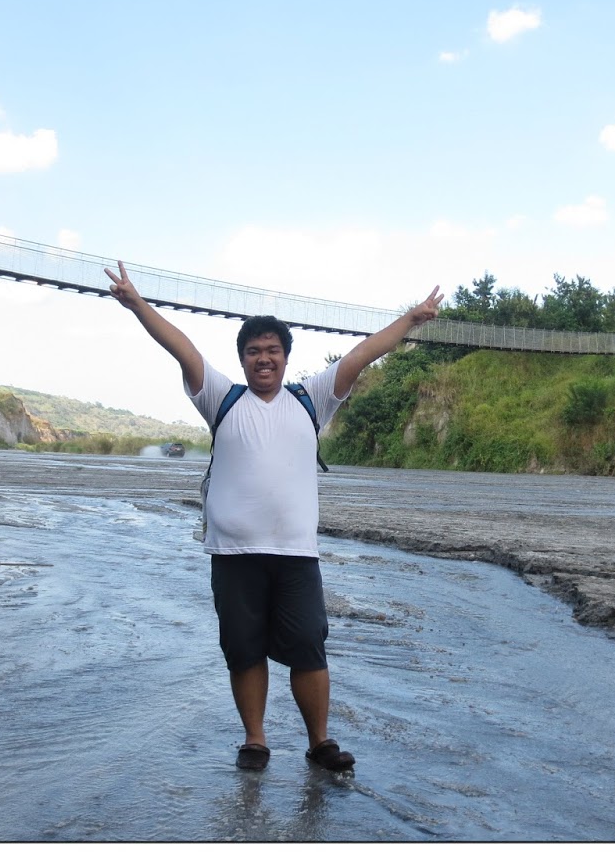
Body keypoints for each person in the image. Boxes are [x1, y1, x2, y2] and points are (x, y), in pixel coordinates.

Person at [106, 262, 442, 772]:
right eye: (253, 351)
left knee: (309, 646)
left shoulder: (313, 399)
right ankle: (255, 740)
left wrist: (411, 321)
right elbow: (182, 348)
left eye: (272, 351)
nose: (264, 359)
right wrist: (137, 305)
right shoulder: (222, 399)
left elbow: (363, 354)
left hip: (295, 556)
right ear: (242, 360)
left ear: (286, 358)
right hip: (233, 555)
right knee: (243, 650)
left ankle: (320, 743)